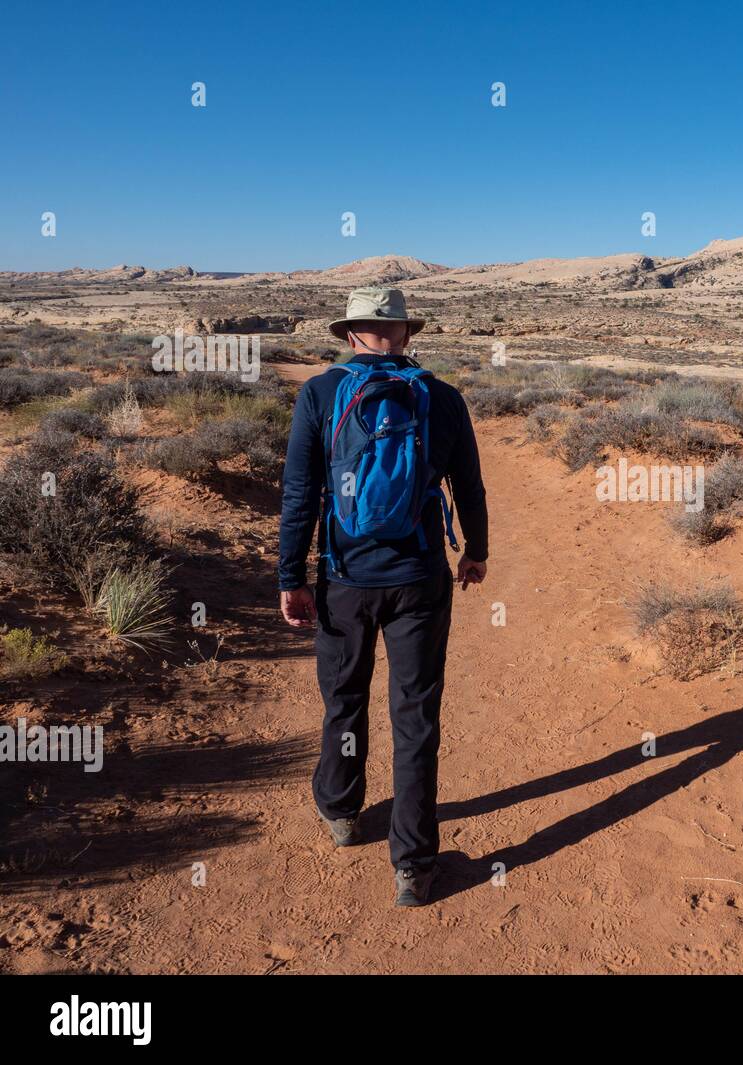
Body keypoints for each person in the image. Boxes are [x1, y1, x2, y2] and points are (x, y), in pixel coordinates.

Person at [278, 285, 488, 907]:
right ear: (405, 334)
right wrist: (475, 550)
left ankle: (342, 814)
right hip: (419, 580)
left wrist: (290, 576)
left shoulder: (319, 394)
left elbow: (299, 496)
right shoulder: (444, 399)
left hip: (344, 580)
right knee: (415, 718)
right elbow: (468, 485)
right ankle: (413, 867)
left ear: (350, 334)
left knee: (343, 697)